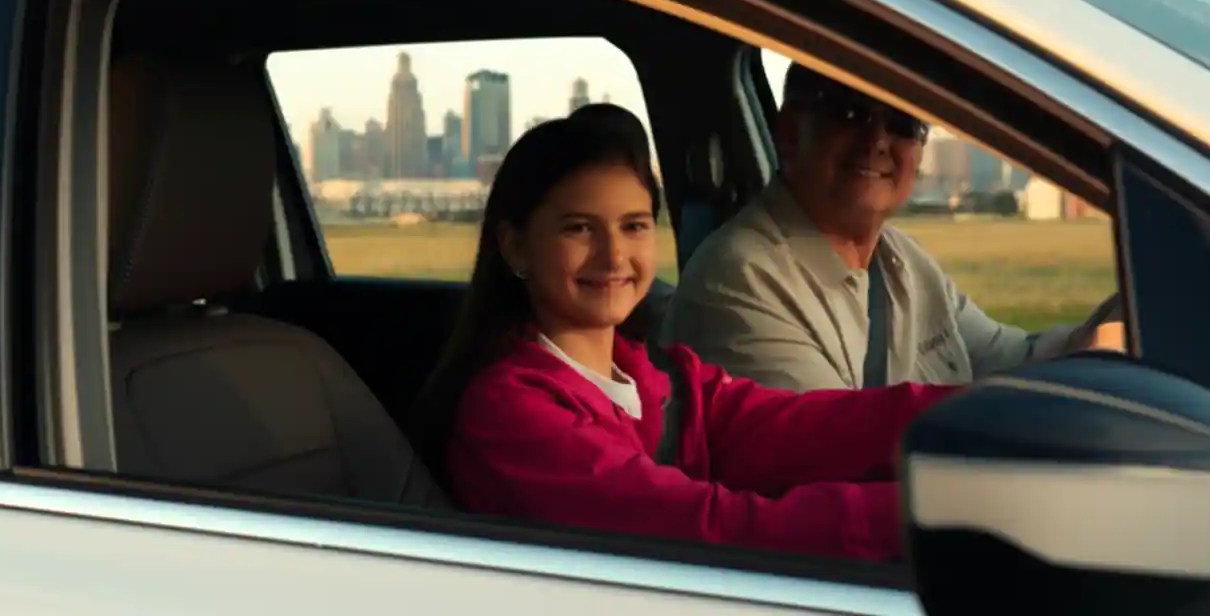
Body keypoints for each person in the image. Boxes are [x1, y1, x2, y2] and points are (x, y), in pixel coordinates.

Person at [411, 114, 958, 562]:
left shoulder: (667, 380)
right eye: (578, 228)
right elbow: (705, 528)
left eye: (634, 225)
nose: (613, 256)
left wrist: (983, 413)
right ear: (516, 248)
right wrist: (933, 514)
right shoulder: (509, 413)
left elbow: (814, 428)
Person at [661, 61, 1124, 393]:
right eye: (848, 113)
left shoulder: (902, 261)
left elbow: (1012, 358)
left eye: (902, 122)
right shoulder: (740, 279)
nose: (878, 141)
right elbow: (840, 456)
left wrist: (1116, 321)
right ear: (789, 132)